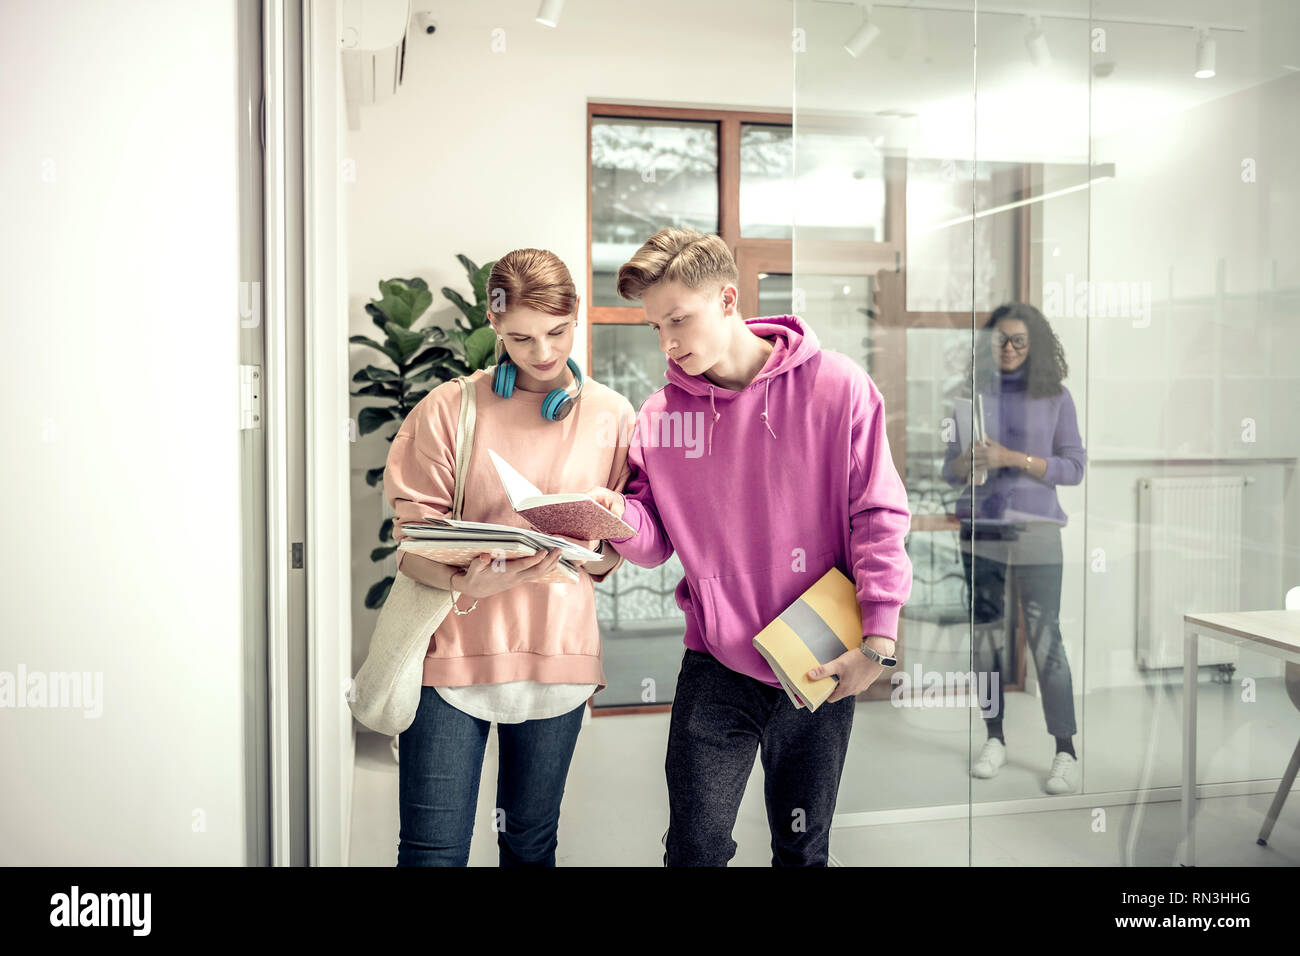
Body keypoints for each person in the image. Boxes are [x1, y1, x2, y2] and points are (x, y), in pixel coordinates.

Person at [585, 227, 913, 866]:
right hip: (715, 662)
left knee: (802, 848)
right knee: (695, 849)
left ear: (729, 299)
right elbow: (655, 542)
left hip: (817, 650)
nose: (669, 343)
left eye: (679, 319)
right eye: (656, 327)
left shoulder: (838, 387)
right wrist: (615, 514)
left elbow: (877, 517)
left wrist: (880, 642)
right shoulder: (660, 418)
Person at [384, 248, 635, 866]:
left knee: (529, 845)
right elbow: (411, 549)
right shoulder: (449, 408)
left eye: (556, 332)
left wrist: (597, 538)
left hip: (560, 657)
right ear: (493, 328)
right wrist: (474, 580)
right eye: (520, 338)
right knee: (432, 852)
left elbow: (611, 558)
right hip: (452, 658)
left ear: (577, 316)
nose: (542, 353)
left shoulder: (612, 415)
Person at [940, 302, 1087, 795]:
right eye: (1000, 340)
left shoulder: (1056, 398)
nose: (1008, 349)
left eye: (1019, 341)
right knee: (986, 639)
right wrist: (967, 461)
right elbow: (948, 471)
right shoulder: (971, 397)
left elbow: (1073, 468)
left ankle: (1065, 750)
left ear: (1034, 346)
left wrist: (1012, 458)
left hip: (1038, 533)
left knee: (1047, 640)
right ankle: (994, 737)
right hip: (982, 531)